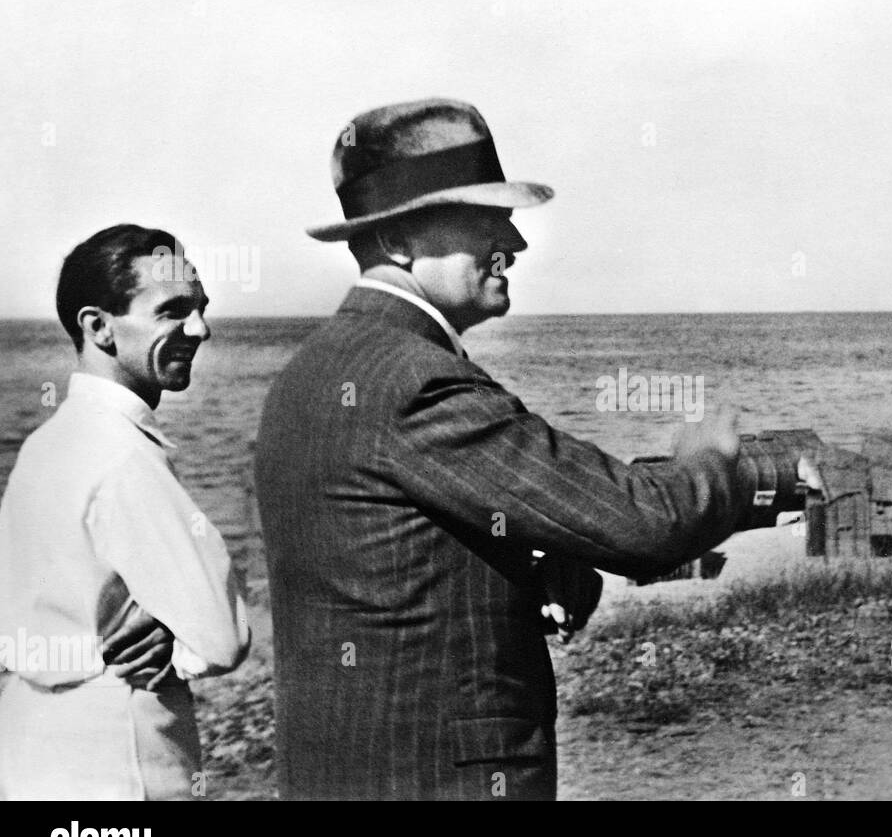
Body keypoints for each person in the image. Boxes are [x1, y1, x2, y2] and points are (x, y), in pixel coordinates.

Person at [255, 98, 750, 800]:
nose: (513, 244)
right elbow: (648, 524)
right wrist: (707, 461)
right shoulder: (417, 379)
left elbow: (389, 564)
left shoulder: (309, 375)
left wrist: (527, 567)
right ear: (400, 240)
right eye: (488, 219)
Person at [0, 225, 251, 800]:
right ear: (98, 327)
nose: (200, 329)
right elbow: (221, 635)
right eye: (173, 311)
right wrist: (177, 637)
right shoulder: (122, 454)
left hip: (31, 746)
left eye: (201, 309)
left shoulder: (46, 444)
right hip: (120, 756)